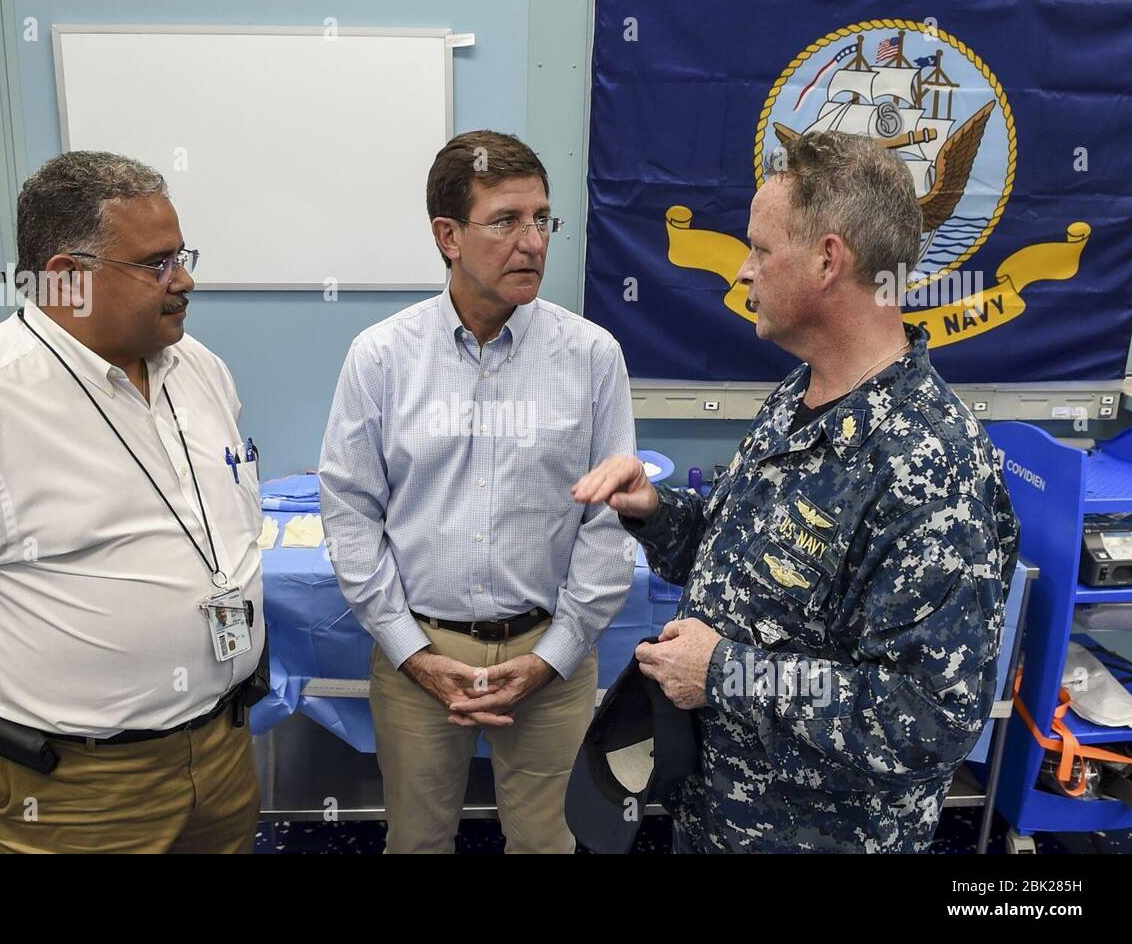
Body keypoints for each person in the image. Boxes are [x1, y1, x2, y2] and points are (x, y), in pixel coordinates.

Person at [573, 131, 1020, 852]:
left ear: (827, 261)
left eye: (760, 249)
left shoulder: (932, 467)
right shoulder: (800, 393)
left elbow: (928, 722)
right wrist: (656, 513)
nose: (743, 271)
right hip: (717, 818)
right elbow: (747, 562)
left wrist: (722, 672)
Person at [0, 150, 265, 853]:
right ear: (67, 280)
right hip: (70, 785)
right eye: (157, 263)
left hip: (221, 748)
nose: (184, 280)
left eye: (182, 254)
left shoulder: (199, 369)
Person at [319, 130, 637, 853]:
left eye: (542, 220)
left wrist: (554, 654)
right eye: (506, 221)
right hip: (419, 655)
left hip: (550, 654)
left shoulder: (590, 357)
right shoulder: (381, 358)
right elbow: (349, 514)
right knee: (418, 841)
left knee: (548, 842)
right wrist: (410, 651)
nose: (532, 242)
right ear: (448, 236)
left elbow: (609, 525)